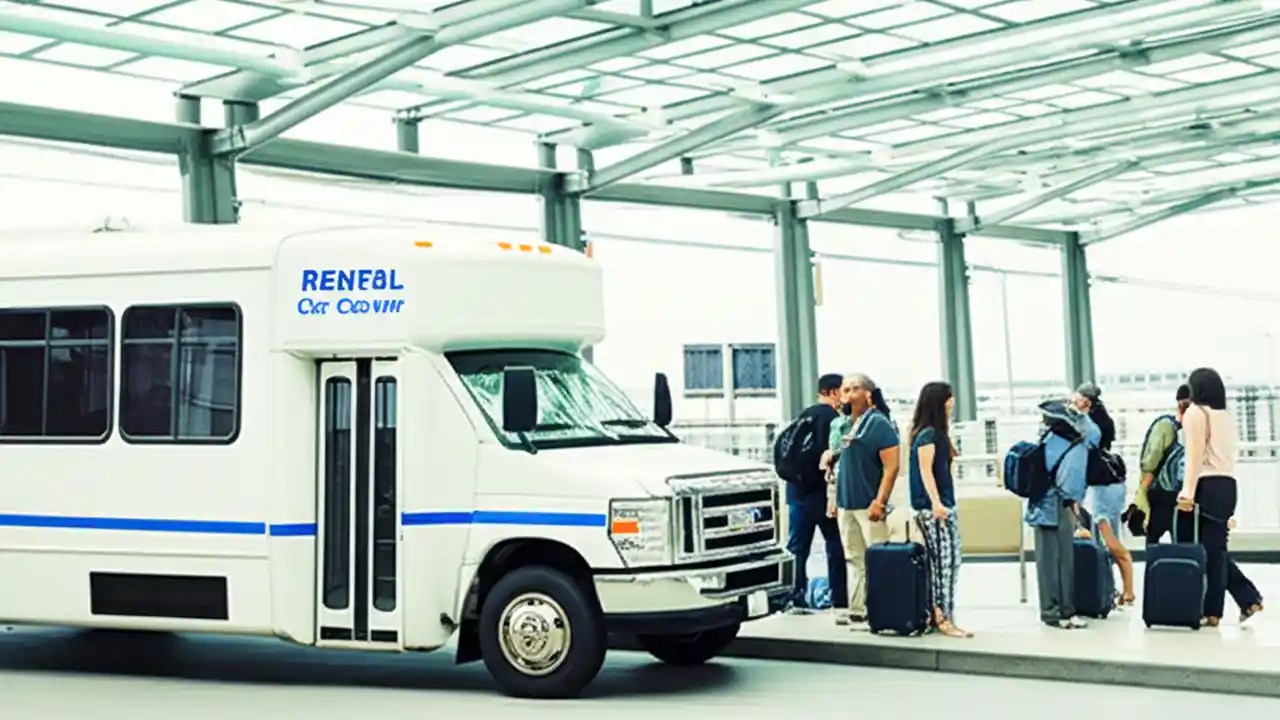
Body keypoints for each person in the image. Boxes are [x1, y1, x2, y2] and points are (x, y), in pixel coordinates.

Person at [1136, 384, 1263, 625]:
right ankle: (1243, 598)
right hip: (1192, 495)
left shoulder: (1176, 426)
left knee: (1188, 551)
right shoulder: (1200, 424)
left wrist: (1143, 493)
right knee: (1211, 550)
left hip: (1174, 499)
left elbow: (1152, 462)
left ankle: (1179, 603)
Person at [1178, 367, 1252, 628]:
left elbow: (1194, 456)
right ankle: (1218, 610)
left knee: (1194, 547)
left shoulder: (1196, 413)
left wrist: (1186, 493)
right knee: (1216, 551)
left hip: (1204, 485)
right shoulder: (1225, 416)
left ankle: (1203, 607)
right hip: (1227, 485)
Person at [828, 373, 899, 630]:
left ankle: (883, 609)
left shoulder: (878, 423)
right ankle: (858, 609)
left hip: (868, 503)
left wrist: (880, 501)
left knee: (876, 558)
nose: (847, 394)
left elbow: (891, 467)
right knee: (854, 558)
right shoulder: (847, 424)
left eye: (854, 389)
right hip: (847, 503)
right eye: (844, 389)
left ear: (868, 394)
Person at [1026, 396, 1098, 630]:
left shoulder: (1050, 440)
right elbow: (1070, 484)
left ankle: (1054, 610)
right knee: (1062, 561)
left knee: (1048, 561)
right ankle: (1059, 611)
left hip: (1042, 506)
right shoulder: (1076, 445)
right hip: (1058, 506)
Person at [908, 381, 971, 638]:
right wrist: (936, 502)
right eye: (949, 397)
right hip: (935, 509)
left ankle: (941, 613)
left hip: (940, 506)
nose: (953, 401)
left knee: (948, 562)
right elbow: (926, 471)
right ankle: (943, 617)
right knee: (943, 564)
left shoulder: (933, 434)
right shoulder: (928, 435)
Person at [784, 373, 848, 614]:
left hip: (797, 490)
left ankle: (795, 594)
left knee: (798, 546)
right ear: (832, 392)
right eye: (843, 391)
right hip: (821, 492)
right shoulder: (834, 419)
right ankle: (839, 596)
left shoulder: (803, 416)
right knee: (834, 542)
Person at [1074, 385, 1134, 608]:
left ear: (1086, 402)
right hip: (1112, 488)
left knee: (1109, 541)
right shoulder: (1102, 418)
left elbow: (1090, 441)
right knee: (1110, 537)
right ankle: (1113, 588)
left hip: (1104, 489)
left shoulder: (1092, 424)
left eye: (1078, 399)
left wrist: (1078, 417)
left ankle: (1121, 590)